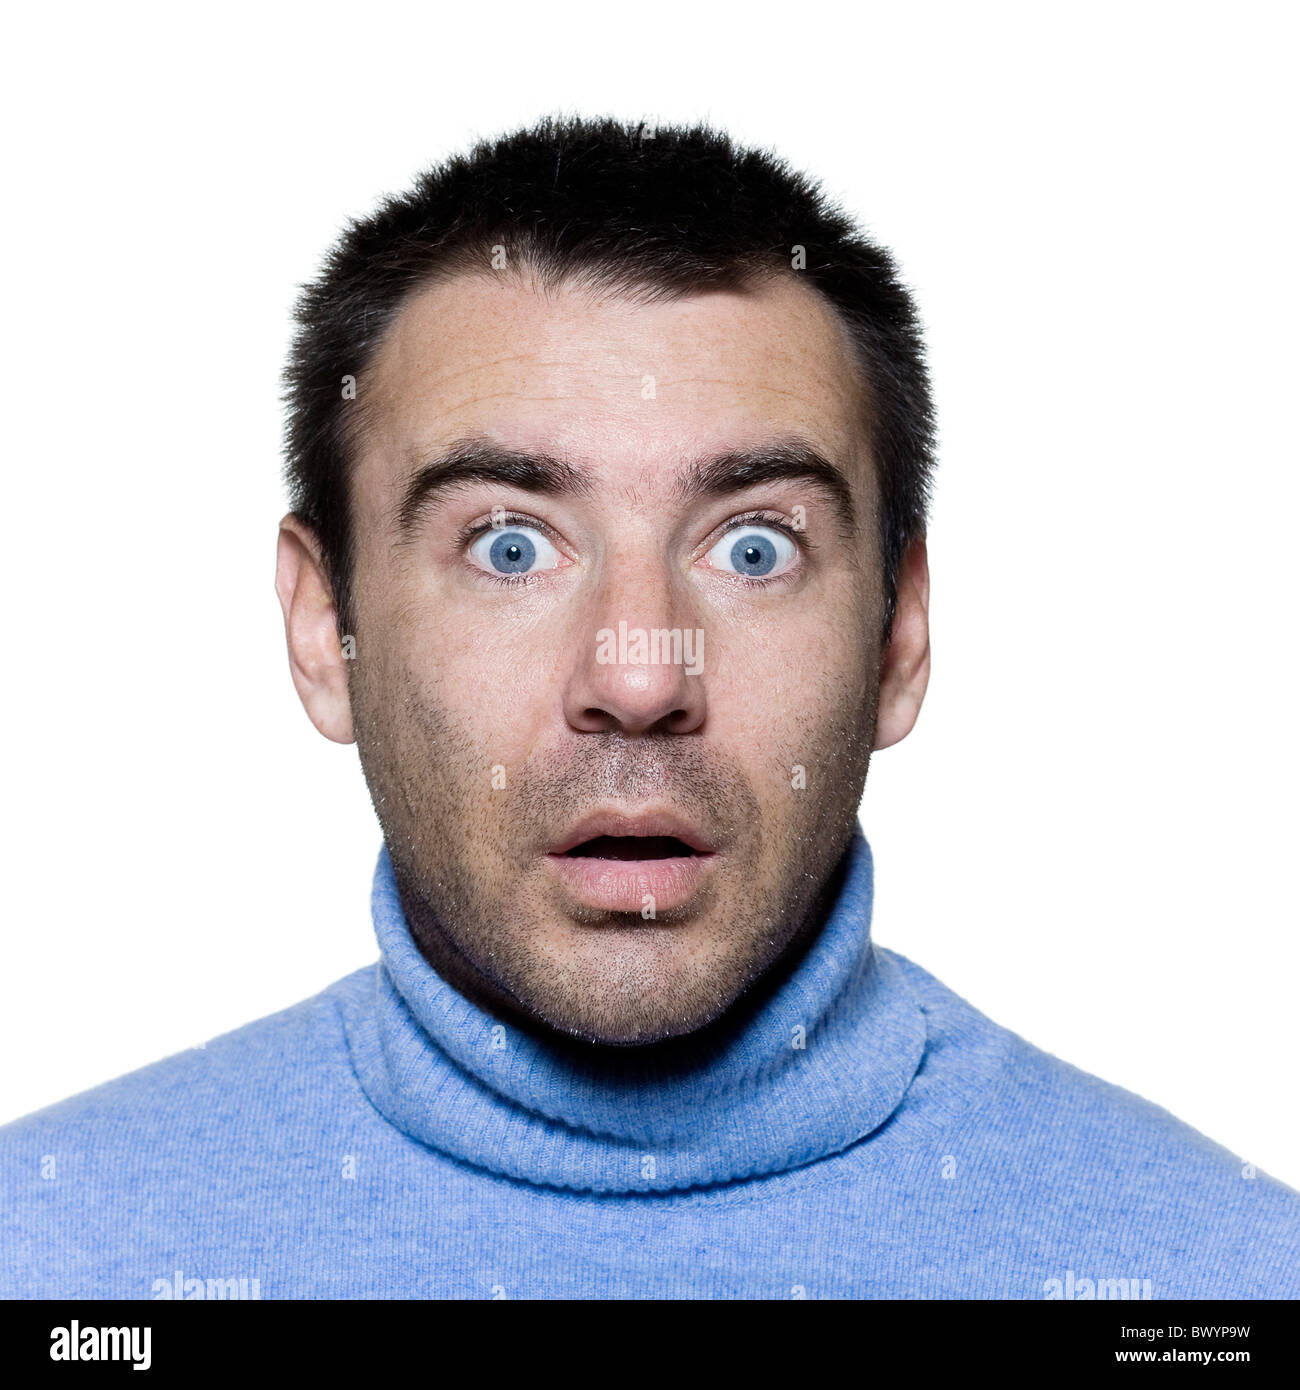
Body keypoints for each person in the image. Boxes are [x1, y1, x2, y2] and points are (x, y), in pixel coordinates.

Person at [2, 117, 1296, 1300]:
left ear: (899, 635)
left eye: (753, 548)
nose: (638, 677)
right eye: (510, 545)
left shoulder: (1226, 1282)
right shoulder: (44, 1254)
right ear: (322, 630)